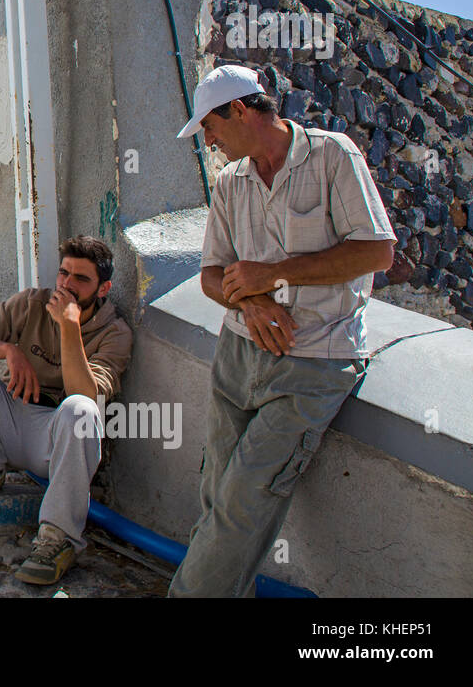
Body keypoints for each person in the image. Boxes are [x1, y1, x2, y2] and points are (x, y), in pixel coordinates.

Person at [168, 64, 394, 597]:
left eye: (210, 127)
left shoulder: (332, 155)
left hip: (312, 356)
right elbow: (211, 275)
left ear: (241, 111)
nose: (209, 139)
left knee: (245, 500)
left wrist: (272, 273)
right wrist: (251, 305)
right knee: (217, 495)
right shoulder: (230, 182)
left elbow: (378, 251)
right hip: (239, 352)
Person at [0, 236, 133, 585]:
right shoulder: (32, 303)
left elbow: (86, 394)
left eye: (81, 279)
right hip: (10, 416)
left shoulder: (115, 332)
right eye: (63, 273)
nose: (67, 285)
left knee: (81, 410)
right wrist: (8, 350)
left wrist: (69, 327)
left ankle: (57, 539)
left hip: (55, 439)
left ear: (104, 289)